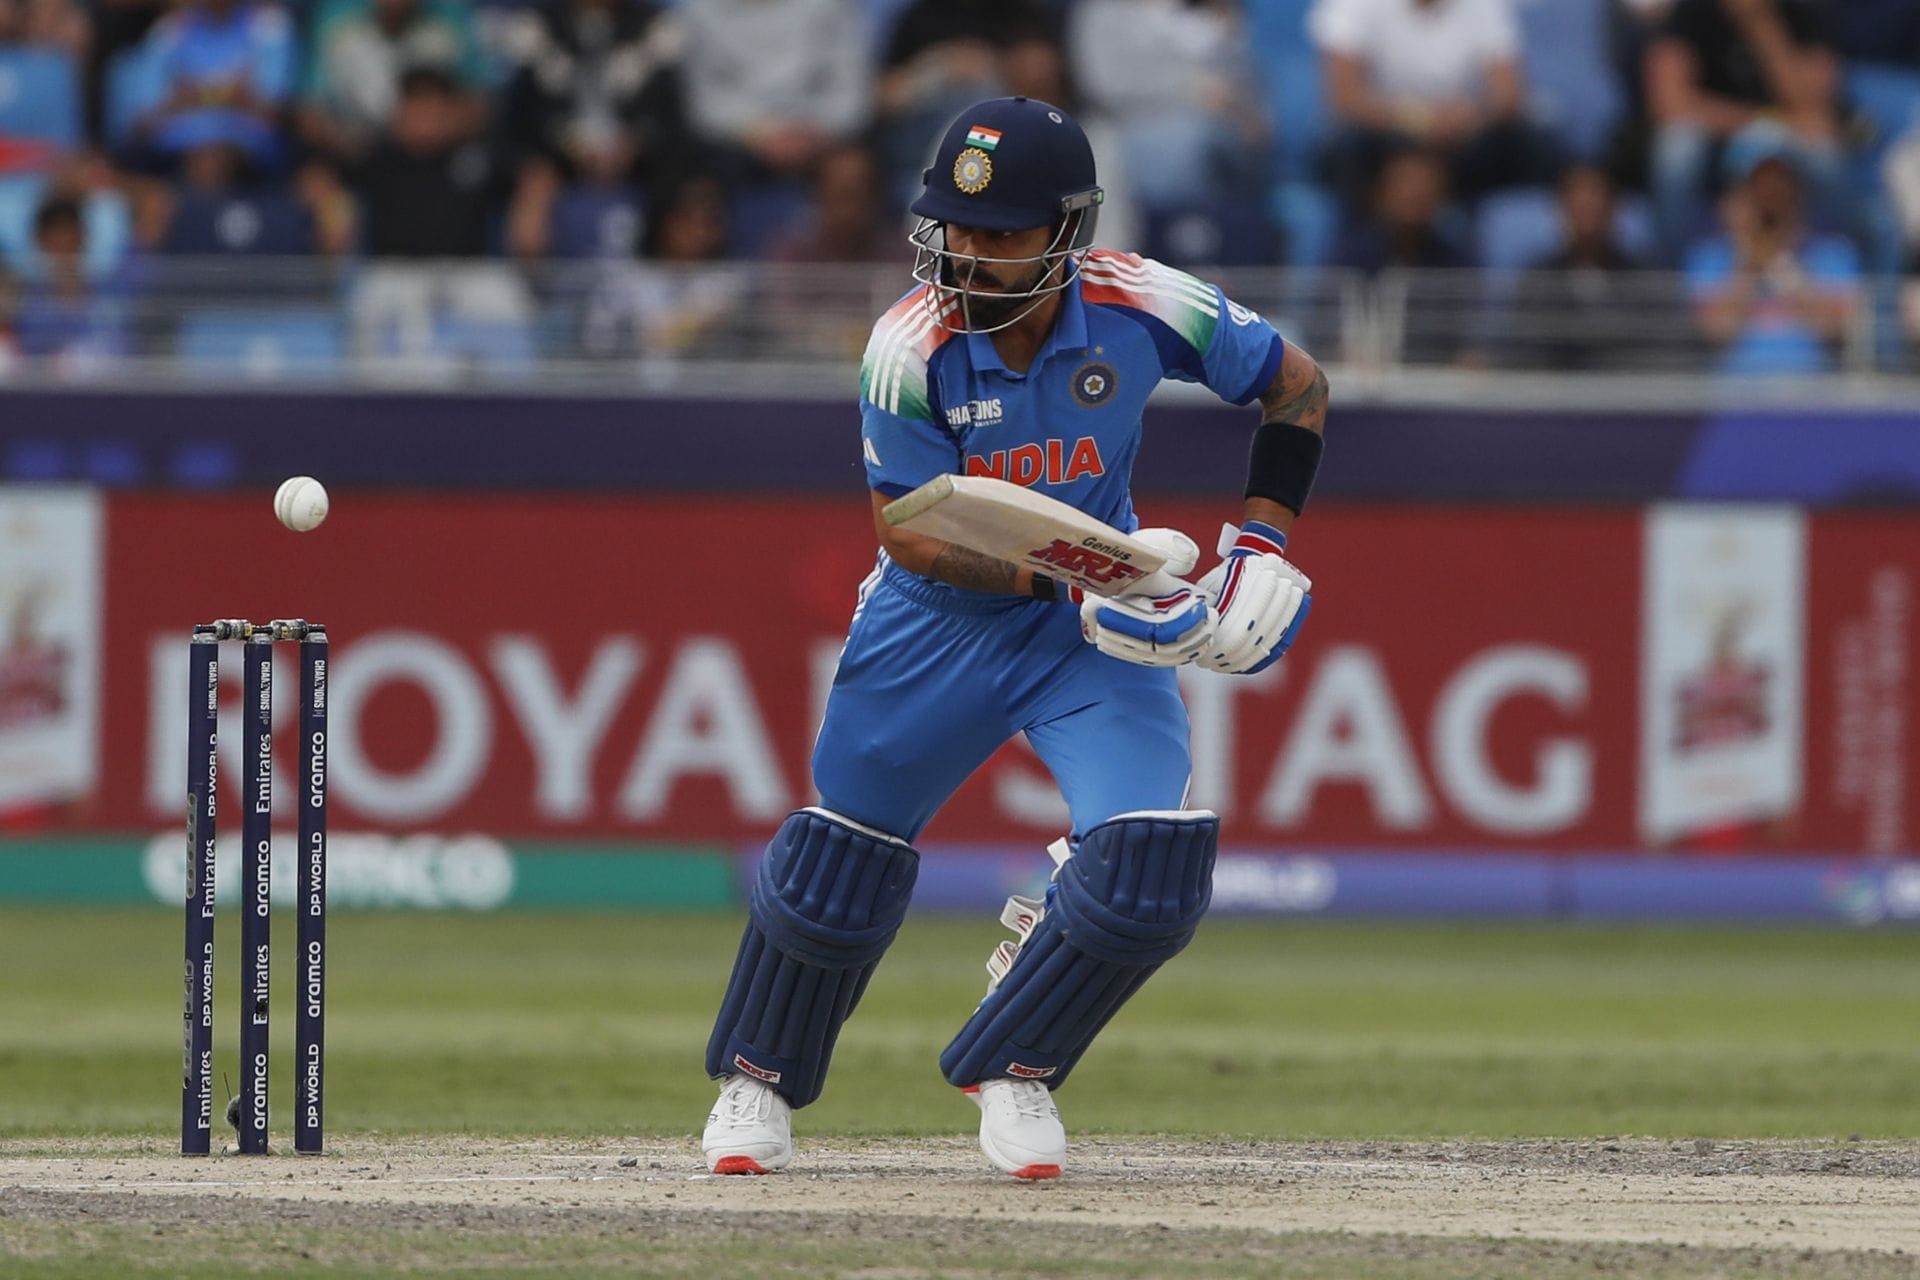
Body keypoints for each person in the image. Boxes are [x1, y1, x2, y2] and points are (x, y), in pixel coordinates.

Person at [698, 96, 1327, 1180]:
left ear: (1068, 233)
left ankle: (1017, 1068)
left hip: (1088, 633)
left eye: (1000, 235)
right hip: (934, 621)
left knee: (1148, 869)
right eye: (955, 229)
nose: (968, 256)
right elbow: (911, 529)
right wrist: (1086, 580)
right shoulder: (908, 342)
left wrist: (1260, 547)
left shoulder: (1145, 301)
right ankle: (753, 1085)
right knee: (837, 869)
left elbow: (1296, 386)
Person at [1643, 0, 1846, 264]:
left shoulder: (1802, 12)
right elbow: (1670, 105)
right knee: (1676, 150)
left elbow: (1814, 106)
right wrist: (1758, 122)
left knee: (1825, 152)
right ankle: (1675, 277)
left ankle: (1831, 268)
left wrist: (1761, 25)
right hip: (1717, 139)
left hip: (1783, 143)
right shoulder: (1691, 12)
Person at [1309, 0, 1561, 211]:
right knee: (1350, 147)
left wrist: (1468, 116)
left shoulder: (1484, 6)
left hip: (1462, 139)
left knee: (1527, 142)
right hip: (1386, 134)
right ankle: (1362, 251)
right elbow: (1345, 98)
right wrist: (1418, 118)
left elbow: (1508, 95)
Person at [1686, 138, 1860, 374]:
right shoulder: (1708, 257)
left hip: (1813, 400)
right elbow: (1718, 330)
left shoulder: (1834, 254)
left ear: (1798, 195)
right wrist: (1746, 259)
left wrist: (1780, 263)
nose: (1771, 204)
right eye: (1759, 192)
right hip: (1736, 401)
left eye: (1779, 191)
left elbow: (1833, 327)